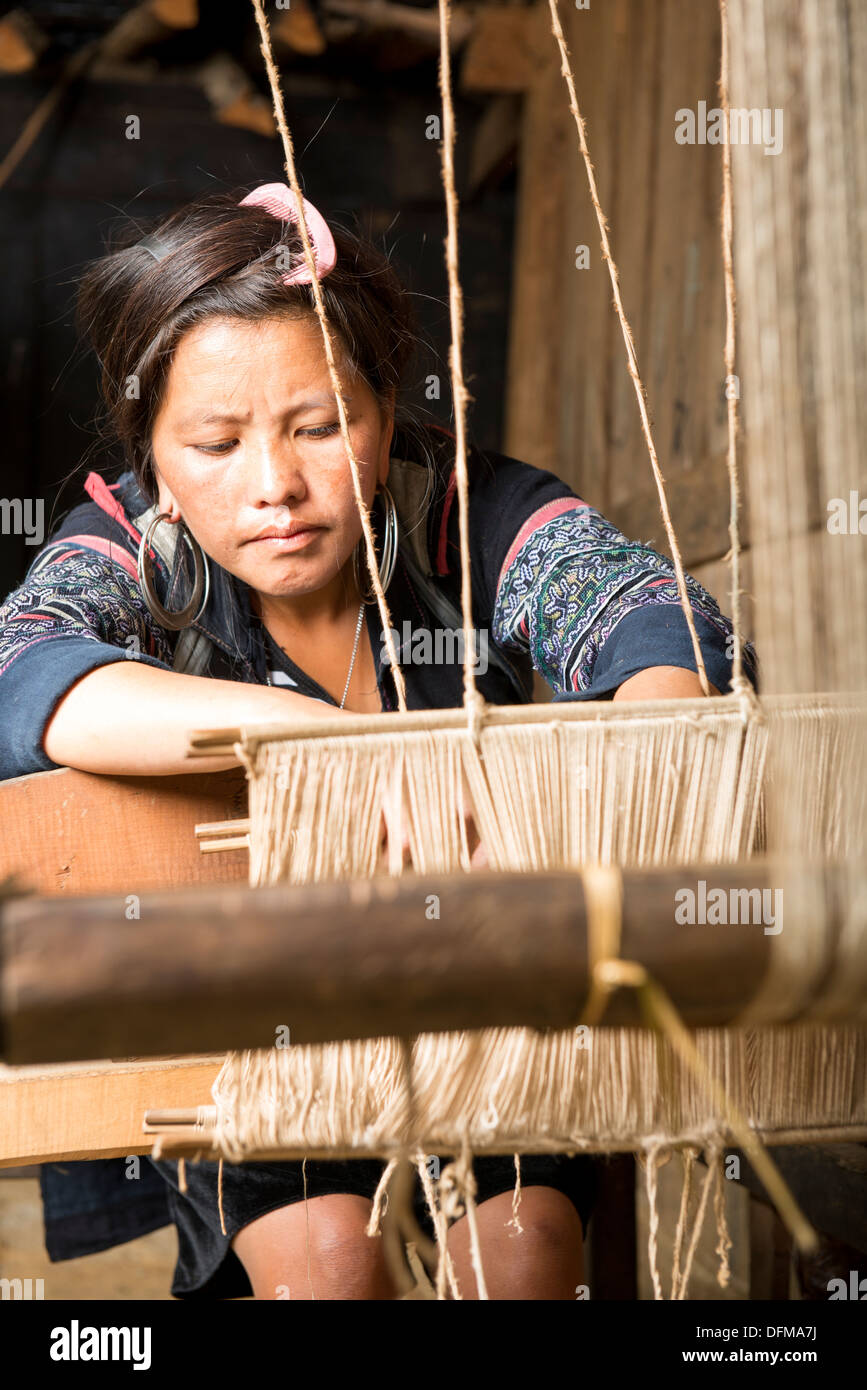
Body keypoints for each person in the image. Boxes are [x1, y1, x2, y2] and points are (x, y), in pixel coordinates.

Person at [0, 182, 756, 1300]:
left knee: (521, 1260)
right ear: (151, 452)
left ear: (387, 405)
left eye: (320, 426)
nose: (279, 488)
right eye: (214, 442)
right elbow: (22, 672)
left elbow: (660, 620)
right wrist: (316, 743)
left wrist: (638, 766)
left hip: (489, 1016)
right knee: (331, 1268)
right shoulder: (127, 553)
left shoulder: (470, 514)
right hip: (252, 1036)